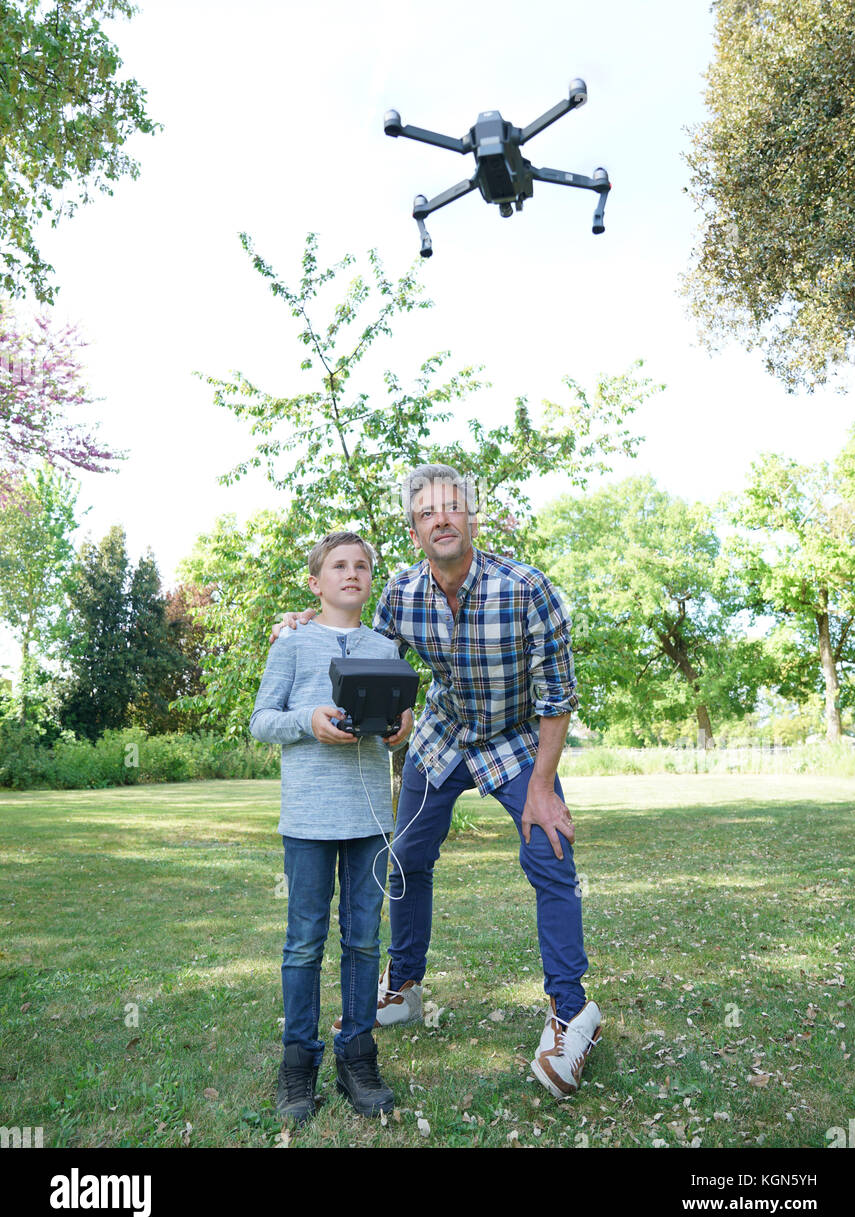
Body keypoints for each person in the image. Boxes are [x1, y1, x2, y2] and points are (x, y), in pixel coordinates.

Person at [271, 465, 601, 1099]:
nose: (441, 519)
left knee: (550, 851)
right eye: (427, 513)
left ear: (473, 518)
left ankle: (570, 1012)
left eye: (452, 508)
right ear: (414, 529)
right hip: (445, 735)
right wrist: (302, 620)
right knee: (405, 857)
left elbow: (558, 697)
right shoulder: (400, 594)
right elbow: (364, 649)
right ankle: (405, 984)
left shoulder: (529, 590)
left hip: (517, 739)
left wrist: (541, 786)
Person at [250, 530, 413, 1125]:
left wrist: (403, 728)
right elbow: (262, 720)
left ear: (371, 579)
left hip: (369, 816)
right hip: (309, 819)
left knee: (364, 940)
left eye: (363, 566)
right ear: (316, 583)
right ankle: (298, 1064)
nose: (353, 573)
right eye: (340, 566)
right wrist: (307, 721)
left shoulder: (385, 647)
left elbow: (398, 717)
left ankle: (357, 1055)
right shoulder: (292, 644)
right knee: (303, 941)